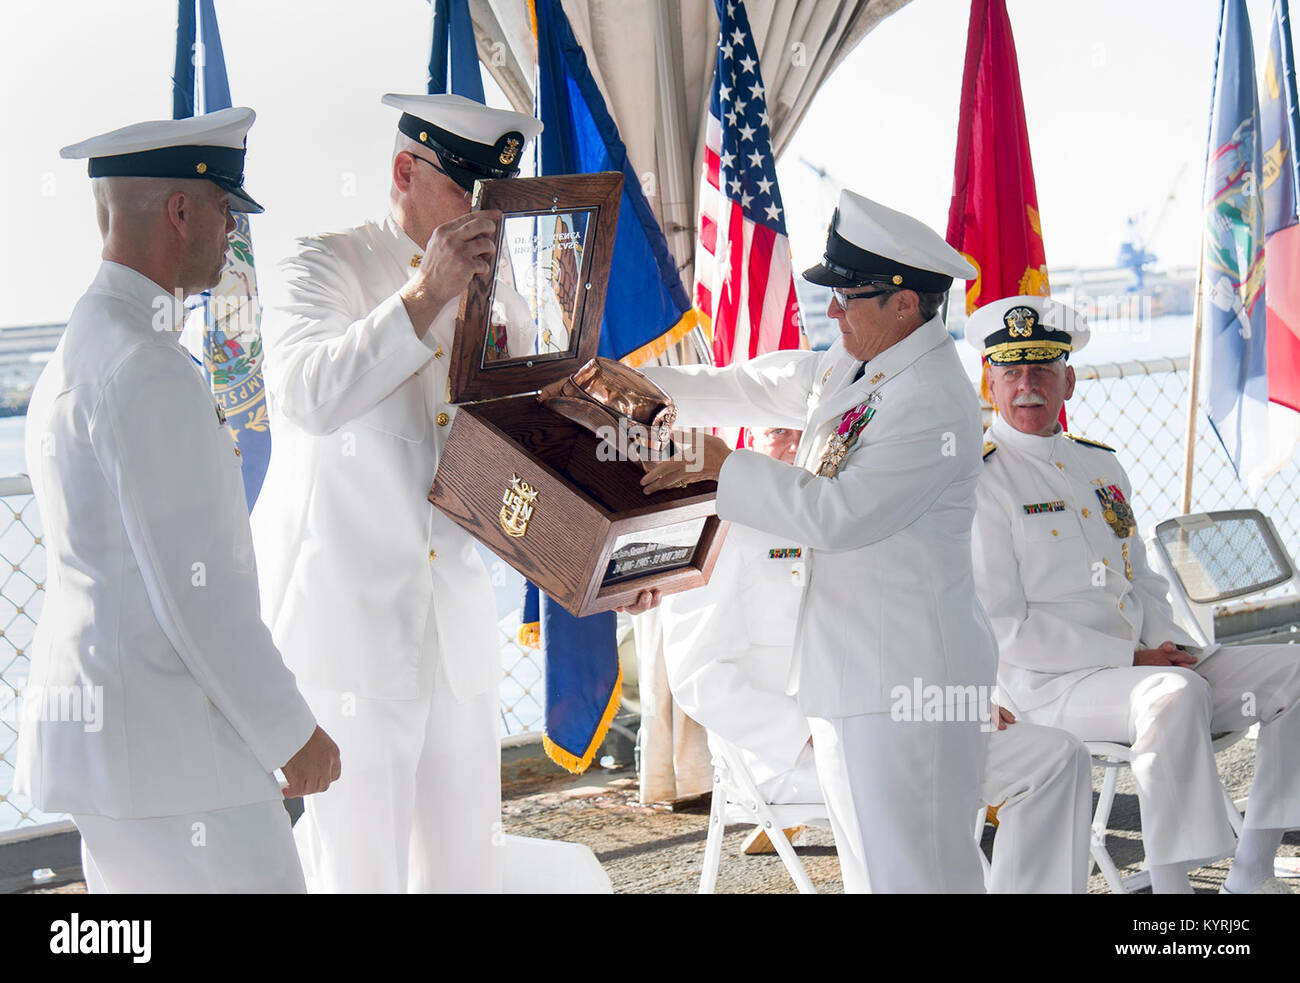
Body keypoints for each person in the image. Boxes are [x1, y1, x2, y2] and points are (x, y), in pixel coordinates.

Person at [17, 108, 340, 893]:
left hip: (115, 755)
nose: (232, 232)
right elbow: (199, 595)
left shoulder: (79, 350)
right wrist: (291, 732)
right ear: (180, 209)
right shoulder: (148, 368)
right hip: (171, 758)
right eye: (226, 209)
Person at [640, 190, 999, 892]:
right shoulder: (863, 363)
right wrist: (631, 387)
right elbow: (747, 387)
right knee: (882, 877)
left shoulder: (929, 398)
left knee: (917, 876)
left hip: (903, 685)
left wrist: (719, 466)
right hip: (852, 678)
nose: (831, 312)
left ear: (904, 304)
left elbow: (838, 514)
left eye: (848, 297)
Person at [249, 93, 545, 892]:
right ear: (403, 172)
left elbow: (519, 453)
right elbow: (306, 395)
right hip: (349, 645)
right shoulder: (322, 262)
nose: (490, 220)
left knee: (467, 875)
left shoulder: (502, 292)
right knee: (361, 876)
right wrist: (422, 296)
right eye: (471, 195)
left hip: (454, 642)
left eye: (502, 202)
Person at [662, 425, 1091, 891]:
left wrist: (951, 700)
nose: (793, 446)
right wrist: (815, 729)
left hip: (899, 715)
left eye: (804, 431)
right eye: (777, 432)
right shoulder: (718, 527)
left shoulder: (859, 522)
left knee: (1054, 759)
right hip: (789, 749)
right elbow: (699, 675)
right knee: (893, 801)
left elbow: (897, 637)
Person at [970, 293, 1300, 894]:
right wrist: (1136, 660)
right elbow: (1004, 626)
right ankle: (1173, 896)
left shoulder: (1100, 467)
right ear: (988, 382)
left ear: (1068, 381)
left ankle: (1250, 871)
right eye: (1011, 371)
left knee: (1293, 671)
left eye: (1042, 369)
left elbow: (1139, 577)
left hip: (1143, 664)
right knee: (1171, 696)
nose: (1027, 386)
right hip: (1050, 685)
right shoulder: (981, 480)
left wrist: (1169, 642)